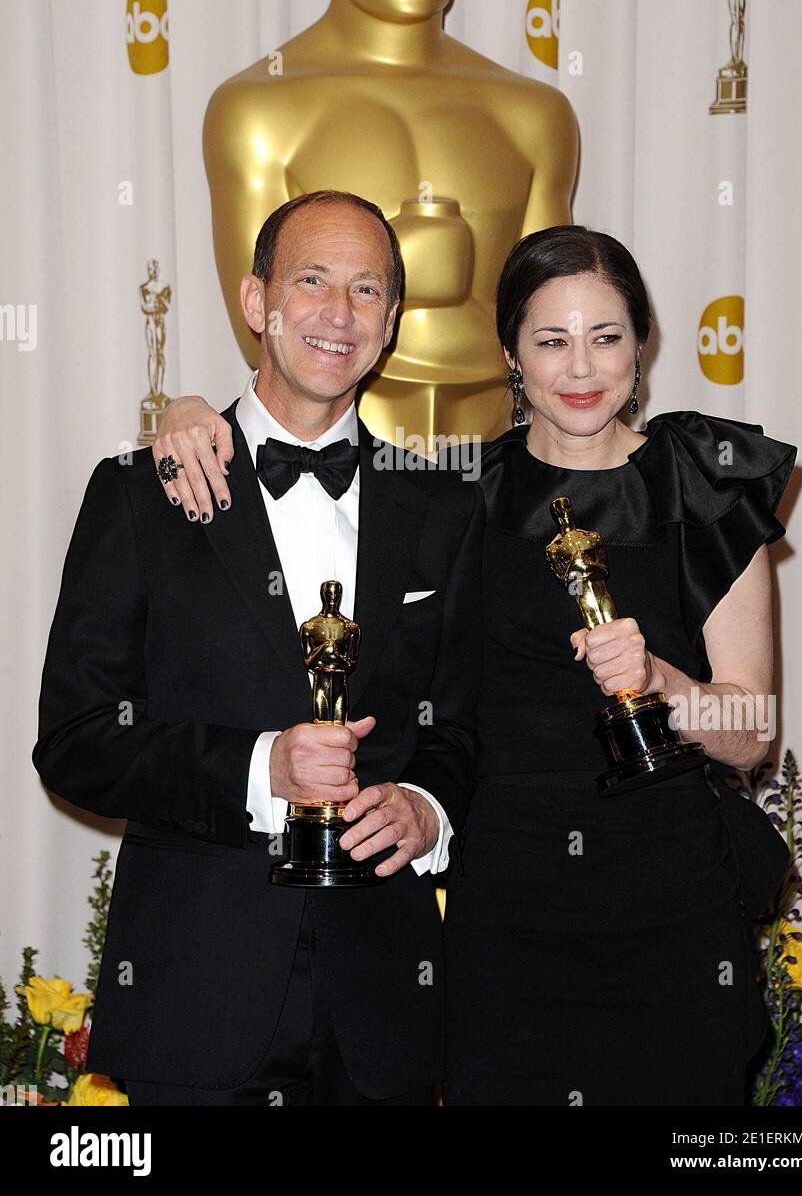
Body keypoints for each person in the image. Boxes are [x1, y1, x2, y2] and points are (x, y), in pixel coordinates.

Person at [151, 225, 797, 1107]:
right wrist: (188, 414)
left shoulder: (699, 488)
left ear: (640, 348)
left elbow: (750, 734)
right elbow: (300, 451)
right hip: (502, 911)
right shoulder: (455, 494)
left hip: (669, 903)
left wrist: (667, 684)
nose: (581, 368)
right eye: (551, 340)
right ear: (509, 355)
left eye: (606, 337)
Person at [35, 190, 484, 1106]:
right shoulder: (141, 491)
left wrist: (427, 807)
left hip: (386, 1007)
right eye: (311, 280)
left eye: (367, 290)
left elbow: (465, 725)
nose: (338, 313)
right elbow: (77, 739)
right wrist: (257, 770)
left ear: (392, 321)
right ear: (256, 302)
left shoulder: (443, 505)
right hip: (193, 996)